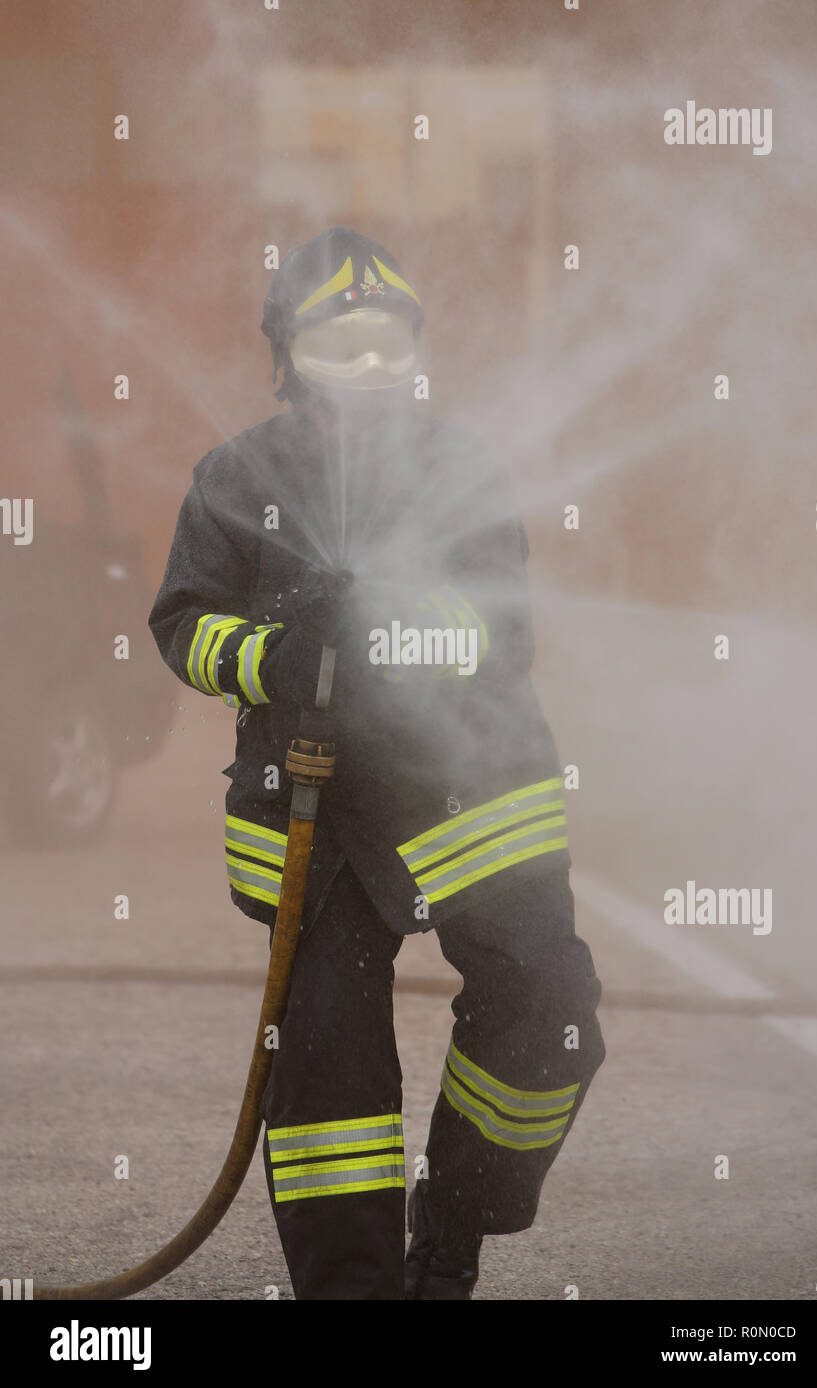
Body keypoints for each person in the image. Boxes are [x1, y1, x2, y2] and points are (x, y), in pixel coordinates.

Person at [148, 227, 605, 1300]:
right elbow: (180, 625)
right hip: (316, 814)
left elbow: (498, 634)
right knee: (327, 1068)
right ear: (287, 357)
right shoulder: (236, 478)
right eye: (339, 342)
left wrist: (383, 639)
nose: (368, 366)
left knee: (549, 1008)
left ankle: (452, 1225)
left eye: (389, 341)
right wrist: (275, 656)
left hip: (470, 791)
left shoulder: (464, 471)